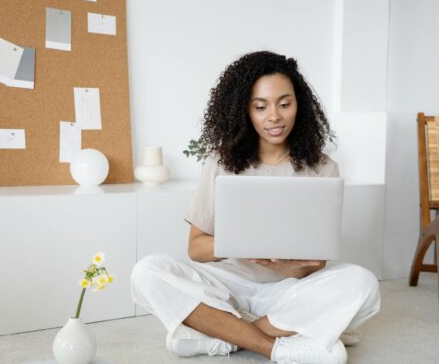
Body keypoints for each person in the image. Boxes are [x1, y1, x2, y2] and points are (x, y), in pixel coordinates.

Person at [131, 51, 380, 364]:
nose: (274, 116)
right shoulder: (220, 163)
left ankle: (222, 334)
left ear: (299, 105)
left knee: (363, 283)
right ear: (244, 111)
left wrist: (288, 263)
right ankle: (275, 345)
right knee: (147, 271)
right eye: (260, 106)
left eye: (284, 104)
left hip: (287, 290)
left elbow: (318, 264)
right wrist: (241, 245)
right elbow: (196, 249)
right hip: (226, 286)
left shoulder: (323, 168)